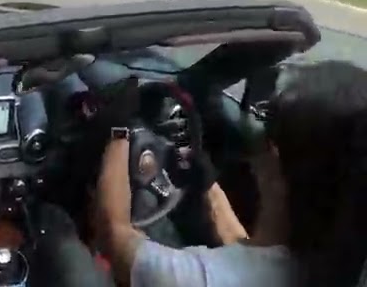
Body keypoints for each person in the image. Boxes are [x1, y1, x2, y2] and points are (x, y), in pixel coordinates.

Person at [94, 60, 367, 287]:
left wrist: (120, 130)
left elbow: (114, 237)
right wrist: (204, 178)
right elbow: (251, 249)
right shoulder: (335, 258)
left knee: (56, 227)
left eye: (264, 120)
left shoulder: (214, 280)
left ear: (275, 158)